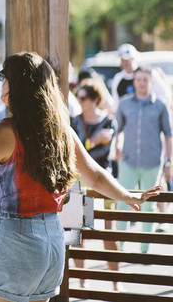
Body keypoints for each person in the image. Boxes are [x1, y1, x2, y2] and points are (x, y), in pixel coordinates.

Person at [0, 51, 161, 302]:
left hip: (14, 238)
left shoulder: (6, 132)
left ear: (15, 85)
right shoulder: (62, 132)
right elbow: (97, 178)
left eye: (3, 76)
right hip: (51, 239)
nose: (1, 82)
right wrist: (127, 195)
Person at [114, 65, 173, 252]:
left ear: (151, 82)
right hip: (128, 161)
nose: (141, 83)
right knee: (123, 202)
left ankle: (145, 249)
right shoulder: (124, 104)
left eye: (145, 80)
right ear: (134, 81)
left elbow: (168, 135)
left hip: (152, 163)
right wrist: (116, 149)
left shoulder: (161, 105)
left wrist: (169, 163)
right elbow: (118, 130)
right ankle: (119, 248)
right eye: (138, 79)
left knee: (149, 206)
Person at [70, 79, 121, 290]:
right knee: (77, 232)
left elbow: (102, 154)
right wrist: (92, 142)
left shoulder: (109, 121)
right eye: (78, 97)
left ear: (95, 100)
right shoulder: (74, 122)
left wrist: (87, 146)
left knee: (108, 232)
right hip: (77, 181)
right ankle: (82, 282)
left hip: (104, 181)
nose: (79, 101)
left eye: (83, 98)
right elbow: (75, 152)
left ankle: (116, 284)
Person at [110, 43, 171, 113]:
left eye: (127, 59)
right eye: (122, 59)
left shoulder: (148, 73)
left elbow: (165, 96)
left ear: (134, 58)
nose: (124, 62)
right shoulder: (118, 78)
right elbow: (116, 105)